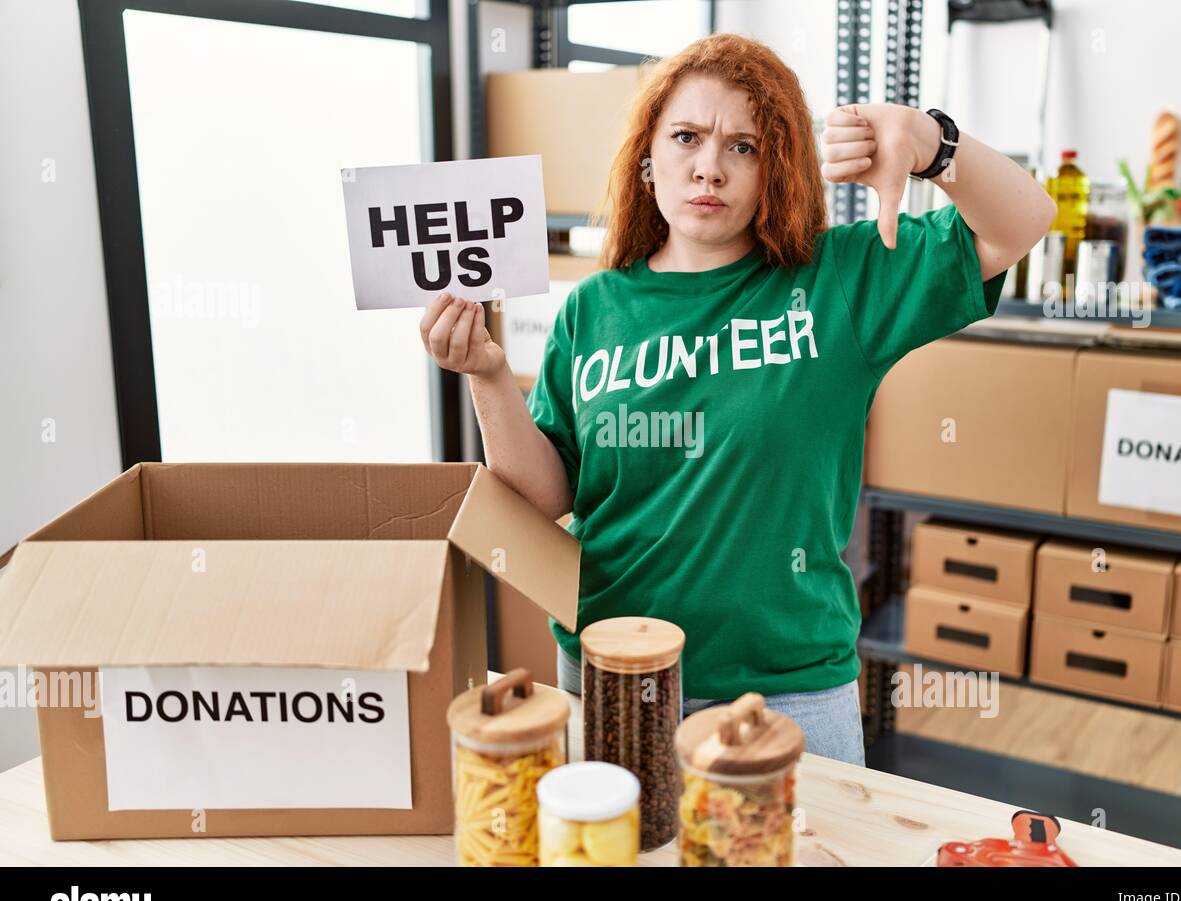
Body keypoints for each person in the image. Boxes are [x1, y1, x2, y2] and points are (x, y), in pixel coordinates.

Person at [419, 33, 1055, 765]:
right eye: (686, 136)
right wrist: (487, 375)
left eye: (744, 147)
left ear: (771, 169)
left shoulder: (837, 282)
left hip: (786, 695)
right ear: (649, 158)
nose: (710, 167)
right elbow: (544, 495)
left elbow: (1023, 221)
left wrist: (932, 142)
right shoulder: (591, 309)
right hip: (614, 672)